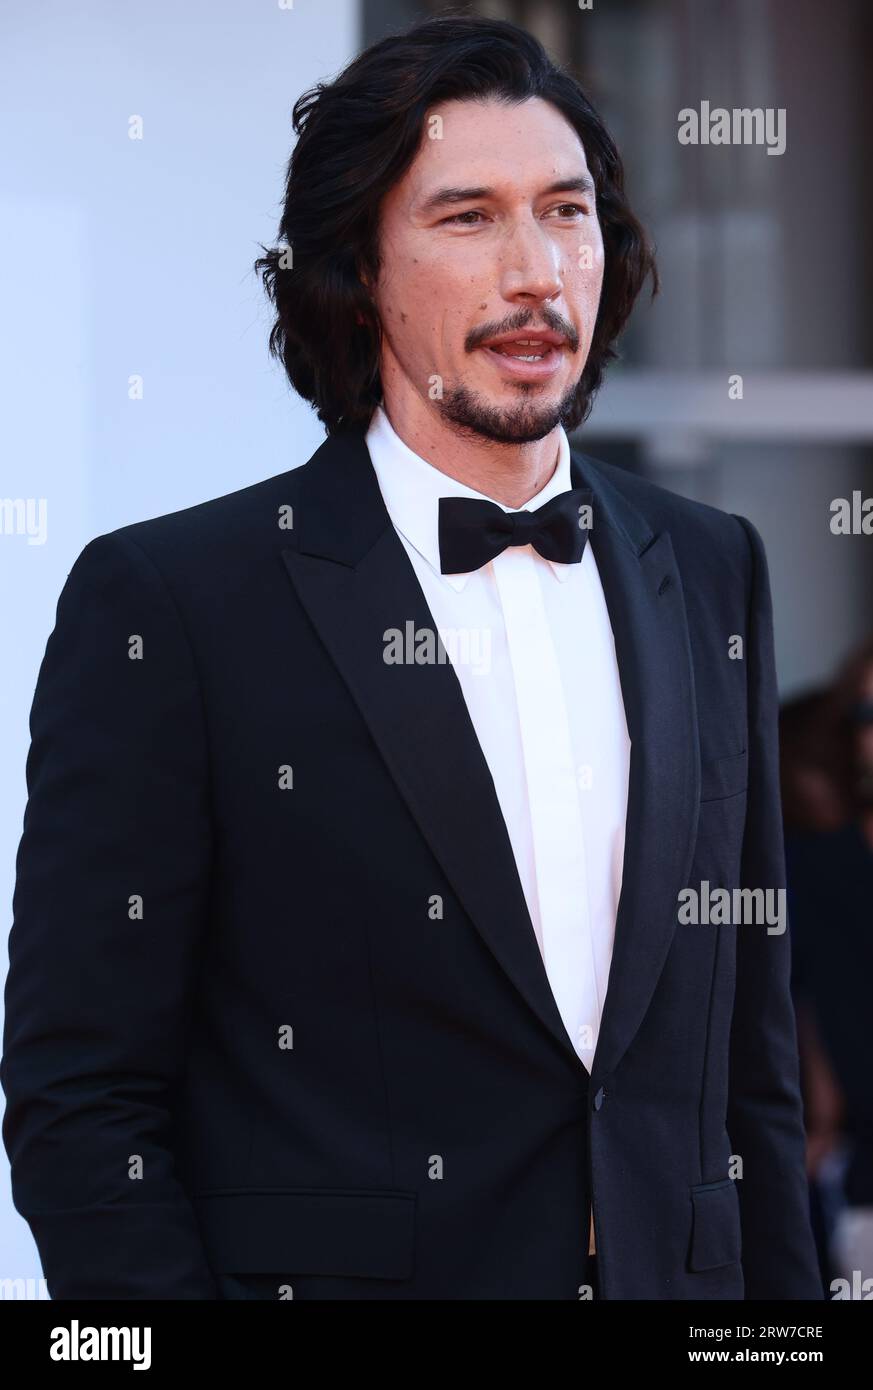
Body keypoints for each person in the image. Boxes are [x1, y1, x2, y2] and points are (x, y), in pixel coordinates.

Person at [1, 13, 821, 1300]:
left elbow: (749, 1066)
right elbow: (81, 1096)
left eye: (566, 211)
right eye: (468, 218)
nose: (537, 270)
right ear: (359, 269)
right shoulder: (173, 600)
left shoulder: (712, 565)